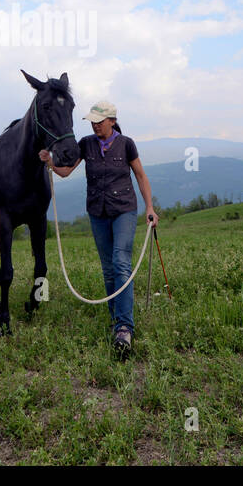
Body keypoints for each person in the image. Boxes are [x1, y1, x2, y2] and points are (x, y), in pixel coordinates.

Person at [40, 100, 156, 358]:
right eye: (92, 121)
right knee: (107, 269)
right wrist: (50, 162)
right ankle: (116, 318)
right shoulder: (86, 144)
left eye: (99, 121)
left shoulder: (126, 144)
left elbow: (140, 176)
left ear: (112, 121)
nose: (95, 125)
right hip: (97, 212)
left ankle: (125, 327)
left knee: (121, 263)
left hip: (124, 210)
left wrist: (150, 207)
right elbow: (67, 171)